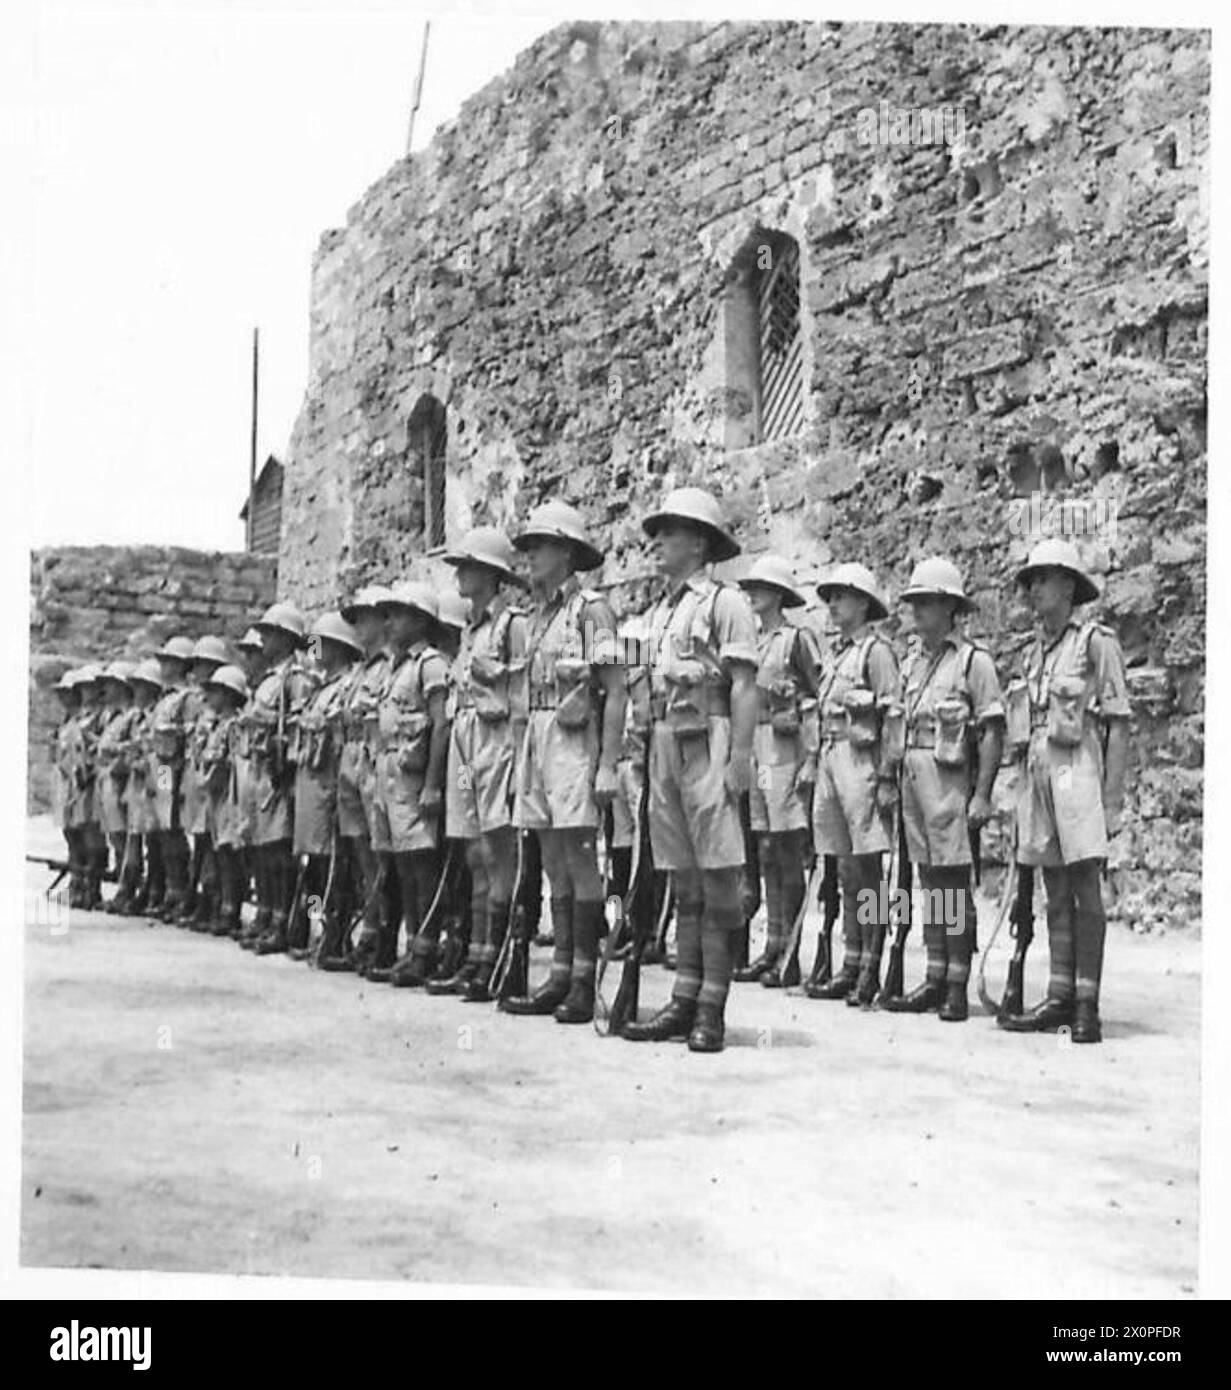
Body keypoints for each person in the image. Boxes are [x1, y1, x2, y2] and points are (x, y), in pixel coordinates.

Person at [620, 486, 758, 1053]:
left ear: (699, 543)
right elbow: (625, 682)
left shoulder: (726, 602)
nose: (656, 542)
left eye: (670, 532)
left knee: (720, 878)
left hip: (710, 739)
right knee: (683, 878)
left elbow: (747, 684)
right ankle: (682, 997)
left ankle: (711, 1008)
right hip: (662, 746)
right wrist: (630, 754)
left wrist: (743, 757)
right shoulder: (650, 613)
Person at [998, 538, 1130, 1044]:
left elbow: (1118, 722)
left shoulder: (1096, 642)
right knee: (1052, 885)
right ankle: (1058, 994)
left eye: (1043, 579)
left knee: (1083, 884)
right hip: (1037, 773)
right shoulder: (1032, 651)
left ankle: (1087, 1002)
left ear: (1070, 586)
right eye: (1029, 581)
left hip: (1077, 770)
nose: (1033, 590)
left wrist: (1113, 800)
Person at [500, 500, 626, 1023]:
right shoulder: (536, 616)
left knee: (579, 859)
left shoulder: (593, 610)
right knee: (552, 863)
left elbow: (616, 689)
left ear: (567, 553)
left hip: (575, 741)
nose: (530, 556)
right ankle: (558, 973)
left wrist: (608, 765)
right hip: (537, 736)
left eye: (541, 546)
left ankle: (583, 977)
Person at [885, 557, 1004, 1021]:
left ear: (950, 608)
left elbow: (992, 731)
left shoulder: (974, 663)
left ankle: (956, 980)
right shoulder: (912, 663)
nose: (916, 611)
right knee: (927, 878)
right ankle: (934, 975)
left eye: (926, 602)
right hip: (913, 778)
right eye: (914, 601)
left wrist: (983, 794)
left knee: (953, 881)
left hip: (950, 783)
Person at [427, 527, 528, 1002]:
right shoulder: (470, 630)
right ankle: (476, 952)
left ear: (489, 574)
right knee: (470, 847)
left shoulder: (512, 625)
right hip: (464, 741)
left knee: (496, 848)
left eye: (467, 567)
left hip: (496, 738)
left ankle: (499, 956)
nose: (460, 575)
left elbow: (525, 690)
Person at [808, 563, 902, 1008]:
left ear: (863, 603)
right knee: (845, 868)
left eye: (842, 596)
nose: (833, 604)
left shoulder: (876, 652)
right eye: (830, 597)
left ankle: (872, 964)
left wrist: (886, 775)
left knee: (870, 872)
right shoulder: (837, 652)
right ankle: (850, 959)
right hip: (831, 755)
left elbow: (892, 715)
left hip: (861, 761)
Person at [731, 555, 821, 988]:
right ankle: (772, 943)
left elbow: (818, 698)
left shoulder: (795, 639)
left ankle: (791, 952)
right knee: (764, 847)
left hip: (786, 747)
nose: (754, 594)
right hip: (758, 746)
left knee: (787, 848)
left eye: (763, 587)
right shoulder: (753, 639)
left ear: (780, 594)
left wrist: (811, 758)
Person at [364, 584, 450, 984]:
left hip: (413, 778)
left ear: (419, 620)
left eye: (397, 614)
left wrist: (434, 784)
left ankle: (426, 948)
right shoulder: (393, 667)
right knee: (398, 864)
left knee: (421, 864)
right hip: (387, 774)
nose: (388, 622)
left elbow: (440, 725)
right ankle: (409, 942)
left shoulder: (429, 664)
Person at [291, 613, 362, 962]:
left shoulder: (348, 686)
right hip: (310, 785)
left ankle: (336, 931)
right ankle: (317, 926)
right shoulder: (318, 689)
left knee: (336, 865)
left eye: (321, 644)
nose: (314, 650)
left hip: (330, 783)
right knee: (314, 865)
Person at [330, 585, 395, 972]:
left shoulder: (391, 665)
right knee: (358, 849)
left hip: (375, 757)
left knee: (379, 850)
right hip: (349, 757)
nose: (359, 626)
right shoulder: (358, 670)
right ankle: (368, 928)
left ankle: (382, 932)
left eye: (364, 618)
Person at [245, 603, 314, 956]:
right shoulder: (270, 680)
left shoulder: (295, 679)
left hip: (279, 771)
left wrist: (285, 761)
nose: (263, 640)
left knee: (280, 852)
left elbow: (299, 726)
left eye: (269, 634)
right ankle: (270, 915)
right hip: (258, 769)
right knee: (264, 848)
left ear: (286, 639)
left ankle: (289, 920)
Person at [181, 635, 229, 928]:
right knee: (185, 834)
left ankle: (209, 900)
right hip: (185, 777)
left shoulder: (218, 704)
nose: (197, 671)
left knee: (211, 844)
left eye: (204, 665)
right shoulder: (188, 700)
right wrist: (166, 788)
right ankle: (187, 894)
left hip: (211, 780)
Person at [200, 664, 251, 938]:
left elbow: (236, 759)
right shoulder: (215, 723)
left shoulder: (234, 725)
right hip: (211, 791)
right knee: (219, 850)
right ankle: (217, 902)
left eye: (216, 691)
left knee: (230, 852)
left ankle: (230, 907)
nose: (210, 697)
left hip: (230, 791)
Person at [146, 637, 195, 920]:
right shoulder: (164, 698)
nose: (163, 666)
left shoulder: (186, 698)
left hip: (171, 766)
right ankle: (168, 888)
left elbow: (186, 736)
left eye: (168, 661)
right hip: (159, 765)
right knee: (162, 827)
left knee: (172, 827)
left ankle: (179, 890)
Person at [94, 662, 142, 913]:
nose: (105, 688)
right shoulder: (111, 716)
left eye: (111, 683)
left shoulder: (133, 716)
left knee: (129, 840)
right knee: (116, 837)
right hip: (109, 781)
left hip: (125, 782)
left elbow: (136, 750)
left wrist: (117, 761)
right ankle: (125, 887)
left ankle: (130, 888)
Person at [122, 659, 165, 914]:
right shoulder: (140, 717)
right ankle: (148, 888)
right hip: (140, 780)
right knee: (144, 836)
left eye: (141, 686)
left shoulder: (157, 713)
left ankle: (160, 889)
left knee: (162, 834)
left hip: (158, 778)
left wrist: (164, 790)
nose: (136, 691)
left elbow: (166, 755)